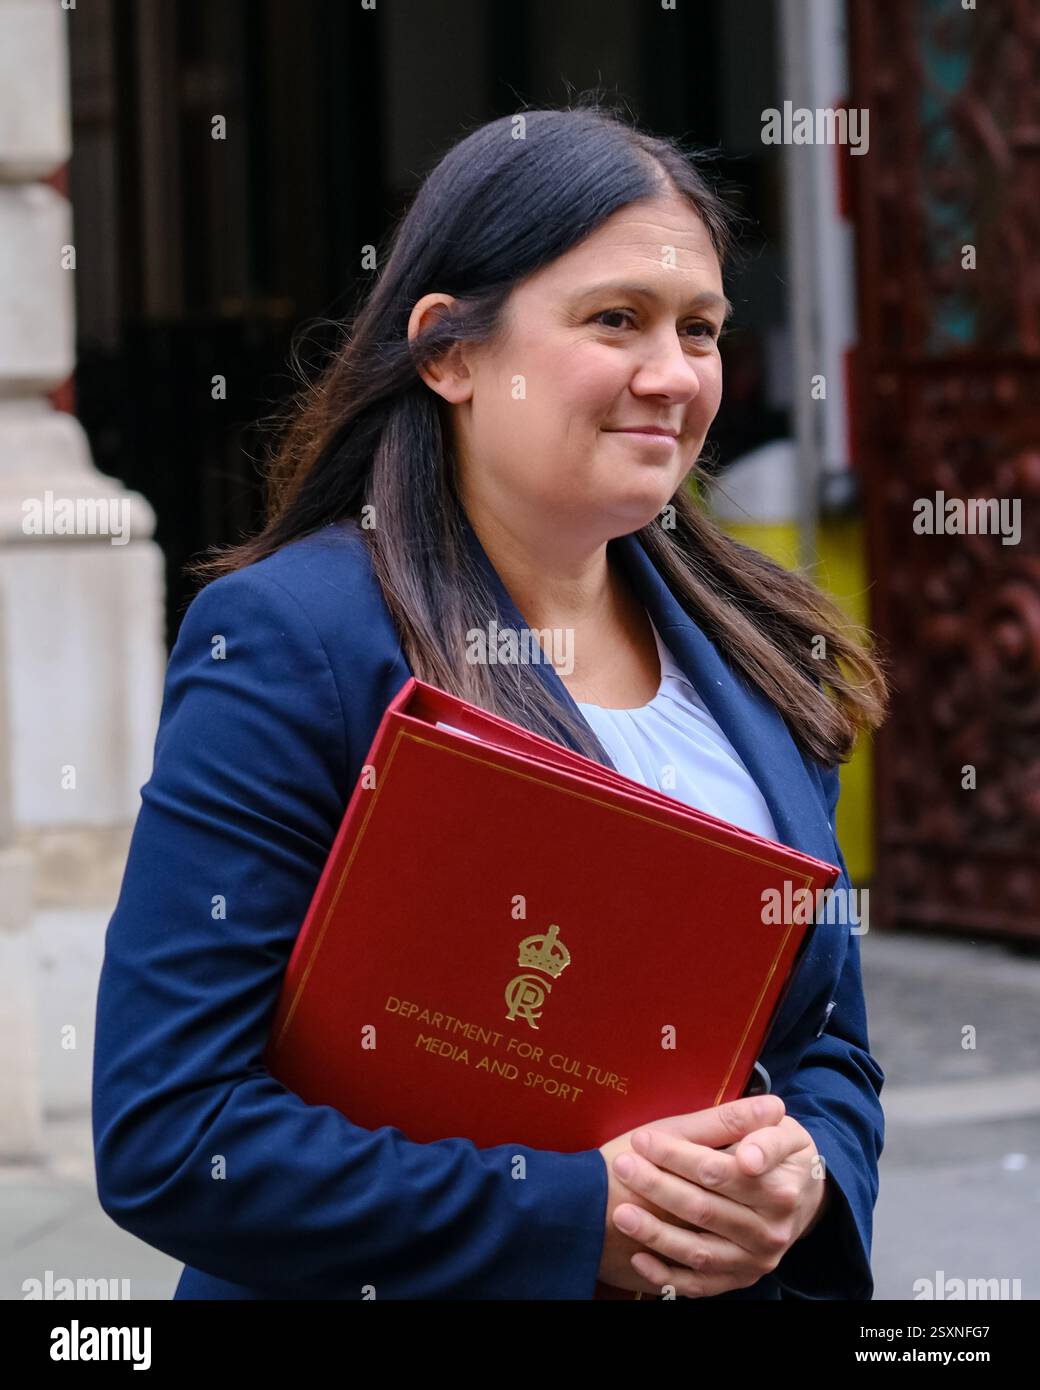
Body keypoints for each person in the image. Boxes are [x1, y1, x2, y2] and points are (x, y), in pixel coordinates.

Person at [92, 101, 888, 1300]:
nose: (671, 375)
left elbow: (824, 1046)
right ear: (447, 351)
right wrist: (574, 1216)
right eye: (614, 319)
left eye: (702, 330)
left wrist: (804, 1179)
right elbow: (171, 1133)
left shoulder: (768, 654)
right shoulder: (293, 641)